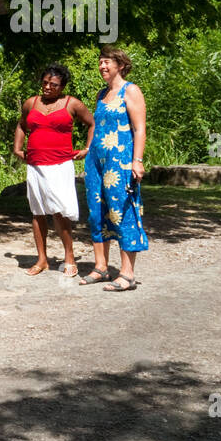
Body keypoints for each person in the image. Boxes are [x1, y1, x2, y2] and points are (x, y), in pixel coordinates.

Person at [13, 64, 94, 275]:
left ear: (62, 86)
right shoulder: (31, 102)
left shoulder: (72, 104)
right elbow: (22, 125)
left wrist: (87, 148)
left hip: (60, 165)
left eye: (54, 84)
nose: (48, 87)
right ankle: (42, 260)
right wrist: (17, 148)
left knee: (60, 212)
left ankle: (69, 256)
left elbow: (92, 124)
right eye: (45, 83)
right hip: (36, 164)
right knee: (37, 211)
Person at [81, 48, 149, 290]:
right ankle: (101, 267)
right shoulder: (102, 94)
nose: (102, 66)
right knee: (96, 212)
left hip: (120, 161)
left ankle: (127, 274)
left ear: (120, 65)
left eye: (106, 62)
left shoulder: (130, 90)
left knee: (122, 212)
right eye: (100, 62)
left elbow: (139, 129)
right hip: (96, 162)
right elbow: (97, 128)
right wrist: (88, 150)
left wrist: (137, 160)